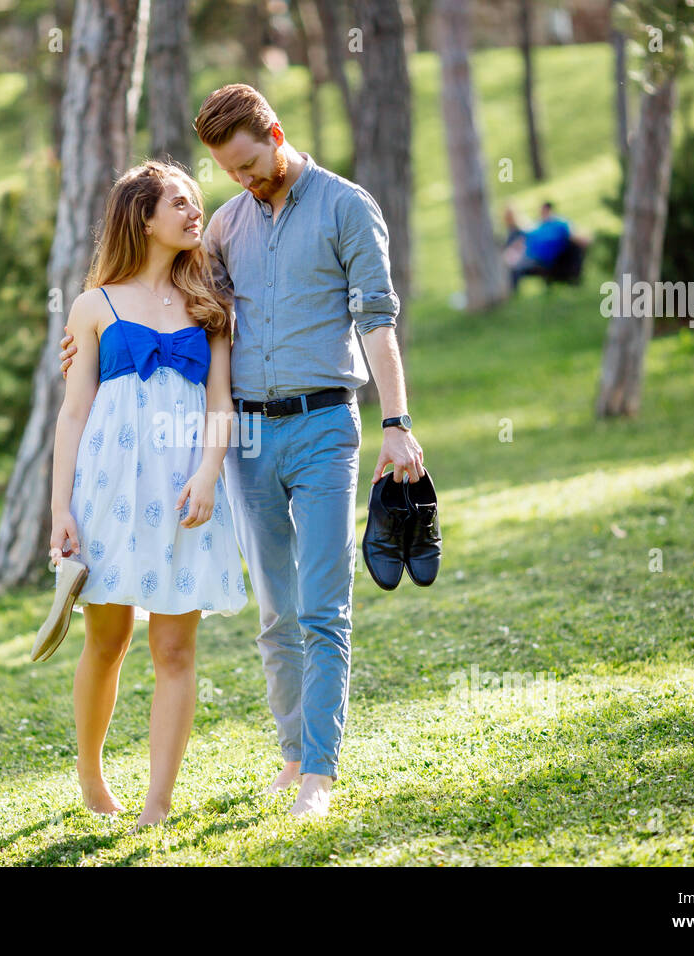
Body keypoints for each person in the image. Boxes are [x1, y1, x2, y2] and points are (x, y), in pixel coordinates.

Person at [61, 84, 424, 817]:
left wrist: (398, 421)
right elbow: (174, 297)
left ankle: (319, 773)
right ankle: (293, 757)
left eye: (252, 164)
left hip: (325, 425)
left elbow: (378, 321)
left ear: (277, 134)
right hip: (248, 442)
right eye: (229, 172)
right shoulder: (225, 227)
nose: (243, 182)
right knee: (275, 613)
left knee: (324, 607)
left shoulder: (347, 206)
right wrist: (94, 329)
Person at [48, 160, 247, 830]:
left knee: (175, 649)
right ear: (142, 217)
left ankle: (157, 803)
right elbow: (72, 413)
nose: (195, 212)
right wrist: (60, 509)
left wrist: (209, 471)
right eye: (180, 203)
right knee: (107, 638)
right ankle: (91, 772)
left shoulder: (208, 304)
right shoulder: (94, 306)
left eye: (196, 201)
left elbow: (220, 402)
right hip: (108, 487)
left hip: (184, 483)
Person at [504, 201, 573, 290]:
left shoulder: (559, 224)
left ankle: (510, 292)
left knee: (514, 267)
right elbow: (526, 237)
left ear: (550, 210)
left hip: (541, 259)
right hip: (530, 254)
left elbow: (573, 235)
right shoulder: (539, 224)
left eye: (544, 211)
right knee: (509, 262)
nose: (541, 213)